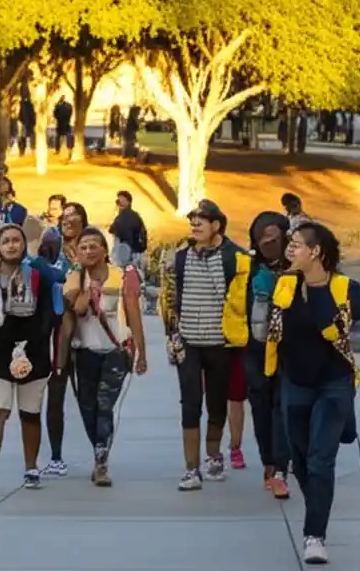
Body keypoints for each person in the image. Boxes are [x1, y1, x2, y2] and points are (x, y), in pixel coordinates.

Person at [264, 222, 360, 565]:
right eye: (289, 244)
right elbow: (265, 330)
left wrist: (336, 331)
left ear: (317, 252)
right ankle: (318, 507)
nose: (289, 250)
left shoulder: (347, 290)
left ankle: (315, 535)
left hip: (334, 384)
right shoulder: (283, 287)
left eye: (296, 245)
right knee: (300, 460)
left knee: (320, 459)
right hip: (294, 383)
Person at [160, 200, 251, 491]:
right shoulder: (181, 257)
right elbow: (170, 300)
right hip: (189, 343)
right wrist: (172, 335)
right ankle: (191, 468)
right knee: (189, 403)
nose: (195, 225)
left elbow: (238, 300)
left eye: (202, 220)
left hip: (220, 343)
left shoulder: (234, 257)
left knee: (216, 402)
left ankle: (213, 455)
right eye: (193, 221)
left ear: (217, 225)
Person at [0, 224, 55, 493]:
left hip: (33, 353)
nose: (11, 245)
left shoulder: (38, 276)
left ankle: (31, 468)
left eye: (16, 240)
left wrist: (29, 348)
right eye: (5, 241)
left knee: (30, 414)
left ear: (23, 244)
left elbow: (48, 316)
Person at [67, 227, 147, 486]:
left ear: (105, 250)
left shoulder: (123, 277)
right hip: (85, 351)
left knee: (104, 405)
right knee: (87, 406)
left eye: (94, 245)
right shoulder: (74, 278)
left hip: (116, 351)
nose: (89, 251)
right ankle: (99, 449)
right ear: (77, 253)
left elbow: (133, 314)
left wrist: (141, 353)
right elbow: (76, 310)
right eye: (83, 247)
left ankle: (101, 460)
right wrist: (84, 286)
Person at [242, 211, 292, 499]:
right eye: (262, 239)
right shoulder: (248, 271)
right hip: (255, 352)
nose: (268, 243)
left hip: (288, 350)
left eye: (274, 238)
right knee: (261, 407)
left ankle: (280, 469)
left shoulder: (299, 267)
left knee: (282, 407)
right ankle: (269, 461)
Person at [42, 201, 87, 478]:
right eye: (65, 216)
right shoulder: (51, 246)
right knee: (56, 394)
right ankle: (56, 456)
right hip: (58, 331)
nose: (68, 220)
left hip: (88, 332)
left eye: (74, 216)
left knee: (90, 398)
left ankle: (99, 452)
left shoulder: (90, 247)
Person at [108, 190, 148, 269]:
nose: (120, 203)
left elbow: (126, 238)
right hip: (132, 255)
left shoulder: (128, 217)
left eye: (123, 200)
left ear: (129, 202)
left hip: (128, 256)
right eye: (119, 201)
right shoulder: (125, 216)